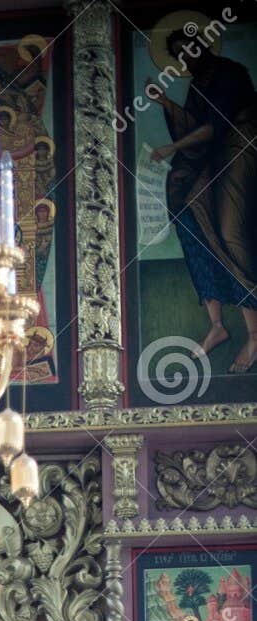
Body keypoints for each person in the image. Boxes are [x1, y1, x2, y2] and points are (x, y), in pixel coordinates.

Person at [147, 29, 257, 372]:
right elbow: (194, 126)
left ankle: (254, 331)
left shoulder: (229, 72)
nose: (186, 58)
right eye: (180, 55)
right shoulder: (197, 85)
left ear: (204, 45)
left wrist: (172, 149)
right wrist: (165, 102)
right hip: (211, 157)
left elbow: (215, 126)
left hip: (241, 148)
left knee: (228, 229)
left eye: (190, 49)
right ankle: (217, 326)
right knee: (190, 217)